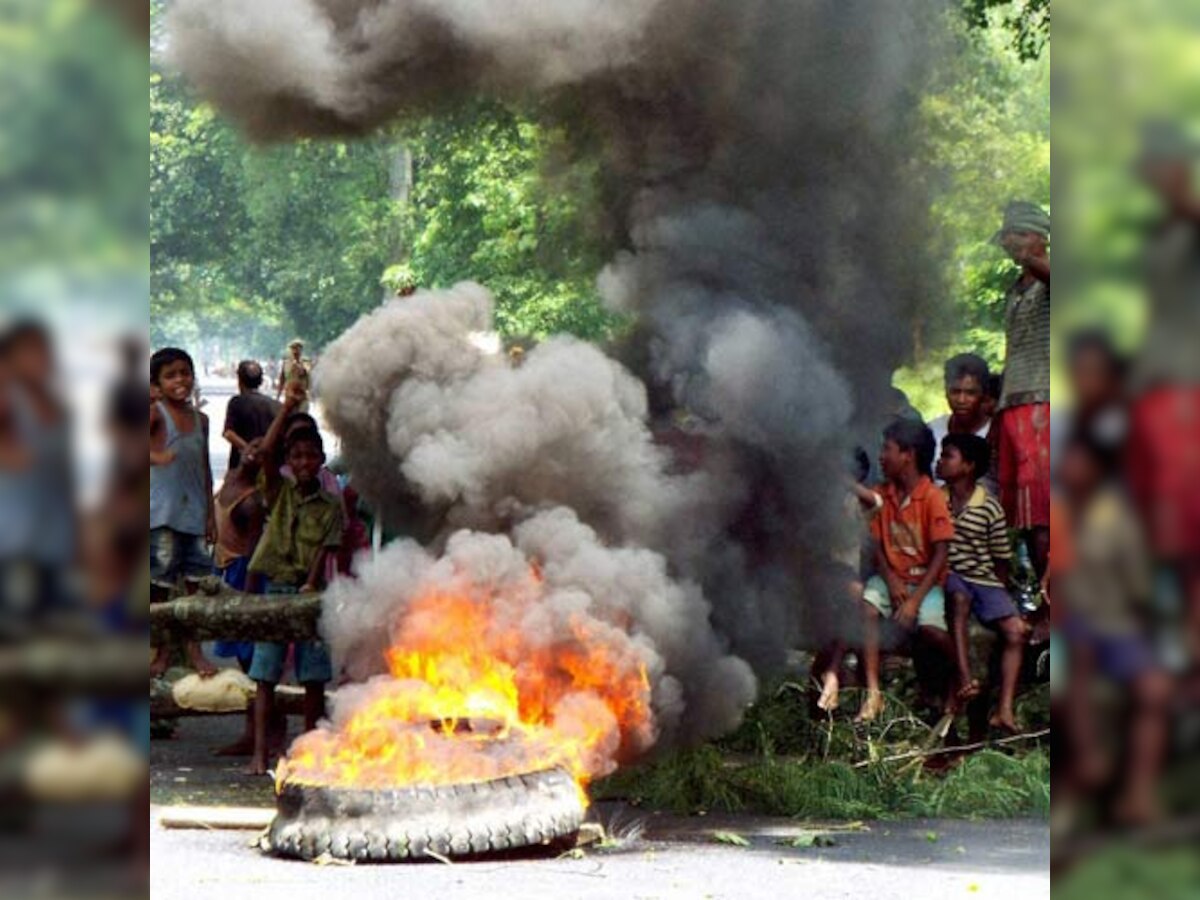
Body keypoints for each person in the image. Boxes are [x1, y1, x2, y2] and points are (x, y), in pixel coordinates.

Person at [1059, 430, 1171, 826]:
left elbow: (1138, 584)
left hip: (1114, 621)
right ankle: (1084, 770)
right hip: (1070, 625)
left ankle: (1138, 791)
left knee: (1154, 690)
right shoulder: (1059, 511)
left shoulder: (1116, 515)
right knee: (1079, 669)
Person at [246, 384, 342, 775]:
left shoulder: (331, 504)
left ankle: (309, 753)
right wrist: (286, 406)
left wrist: (311, 583)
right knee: (264, 675)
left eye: (310, 456)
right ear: (288, 461)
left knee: (313, 677)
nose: (303, 462)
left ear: (321, 460)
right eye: (296, 456)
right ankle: (260, 755)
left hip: (308, 592)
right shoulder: (278, 490)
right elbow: (265, 454)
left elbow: (324, 548)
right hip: (275, 589)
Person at [857, 419, 956, 722]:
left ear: (908, 455)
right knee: (866, 611)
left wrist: (914, 600)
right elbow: (875, 547)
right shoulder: (881, 494)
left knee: (932, 632)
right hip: (891, 579)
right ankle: (873, 694)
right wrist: (891, 580)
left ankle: (960, 679)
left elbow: (941, 553)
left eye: (887, 449)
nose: (881, 457)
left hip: (926, 583)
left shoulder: (932, 496)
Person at [937, 433, 1028, 731]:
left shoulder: (989, 506)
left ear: (968, 466)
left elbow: (1001, 557)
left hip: (983, 578)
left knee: (1016, 631)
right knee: (959, 602)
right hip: (951, 575)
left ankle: (1004, 709)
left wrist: (996, 597)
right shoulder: (937, 500)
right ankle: (964, 677)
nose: (940, 461)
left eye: (948, 456)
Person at [991, 201, 1051, 581]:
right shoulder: (1016, 289)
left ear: (1035, 236)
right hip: (1012, 405)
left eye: (1014, 235)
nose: (1006, 244)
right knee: (1024, 516)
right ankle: (1043, 600)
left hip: (1043, 404)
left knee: (1045, 511)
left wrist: (1035, 258)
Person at [149, 347, 216, 677]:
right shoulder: (155, 414)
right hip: (160, 515)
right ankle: (160, 653)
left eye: (184, 372)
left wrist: (211, 515)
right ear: (157, 384)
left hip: (194, 516)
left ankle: (194, 651)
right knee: (159, 590)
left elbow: (205, 470)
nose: (180, 380)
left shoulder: (201, 420)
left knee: (195, 589)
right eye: (171, 375)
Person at [223, 360, 282, 474]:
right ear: (261, 381)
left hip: (241, 466)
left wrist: (250, 450)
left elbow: (229, 433)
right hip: (267, 466)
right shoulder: (274, 404)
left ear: (239, 381)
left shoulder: (236, 402)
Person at [275, 340, 311, 413]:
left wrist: (297, 364)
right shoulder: (286, 363)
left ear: (301, 350)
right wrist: (277, 397)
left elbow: (303, 372)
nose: (295, 351)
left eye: (297, 348)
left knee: (301, 417)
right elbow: (282, 380)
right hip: (289, 397)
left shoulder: (305, 362)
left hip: (302, 397)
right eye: (293, 348)